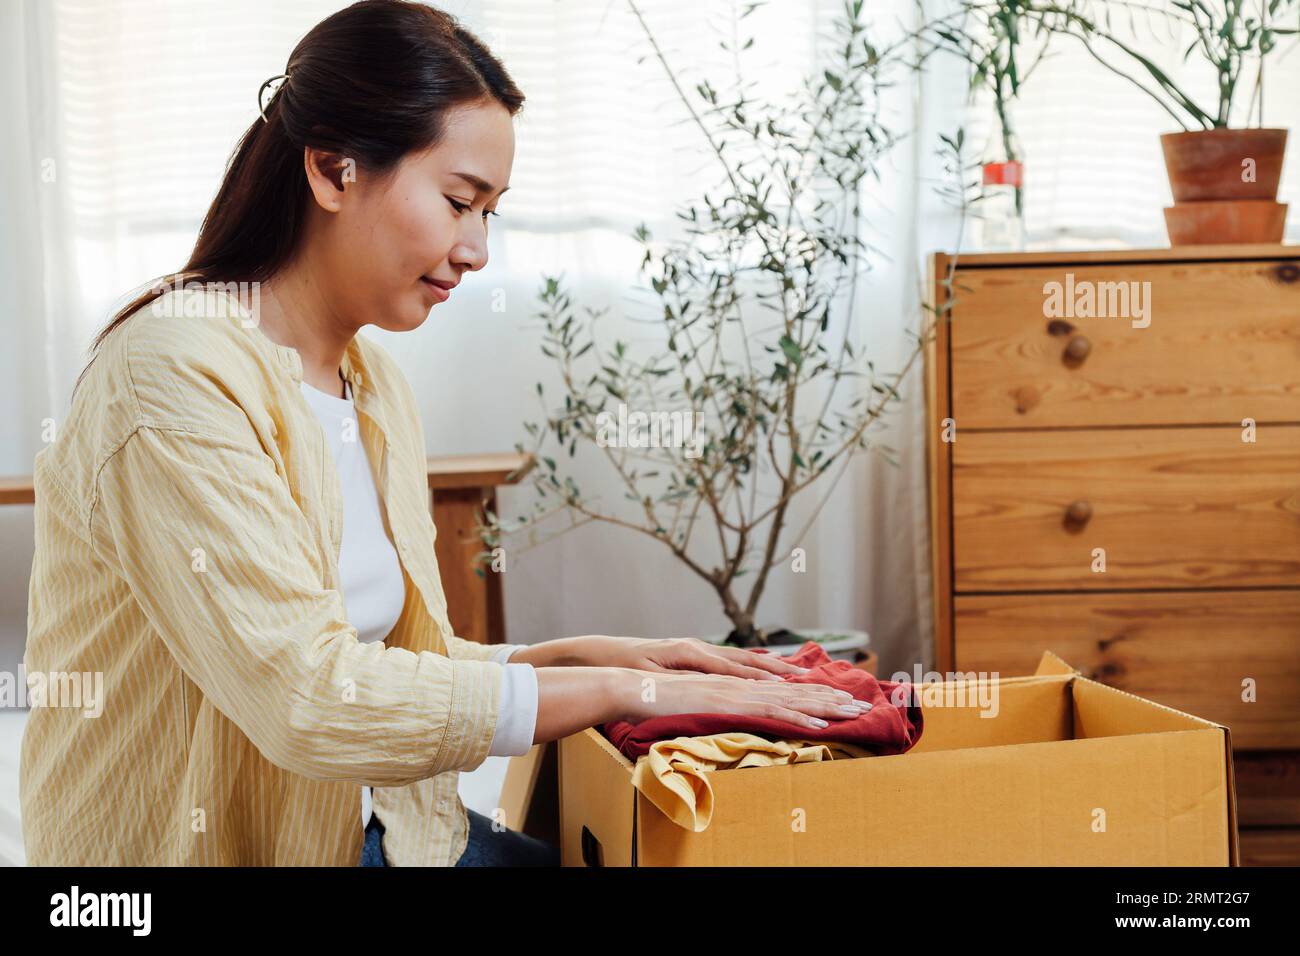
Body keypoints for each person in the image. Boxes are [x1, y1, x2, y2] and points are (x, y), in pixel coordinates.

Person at [20, 0, 869, 868]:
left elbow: (405, 662)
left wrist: (592, 656)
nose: (477, 250)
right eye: (460, 201)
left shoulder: (371, 382)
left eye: (491, 211)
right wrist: (621, 688)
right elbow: (310, 699)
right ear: (331, 169)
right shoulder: (171, 375)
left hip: (376, 831)